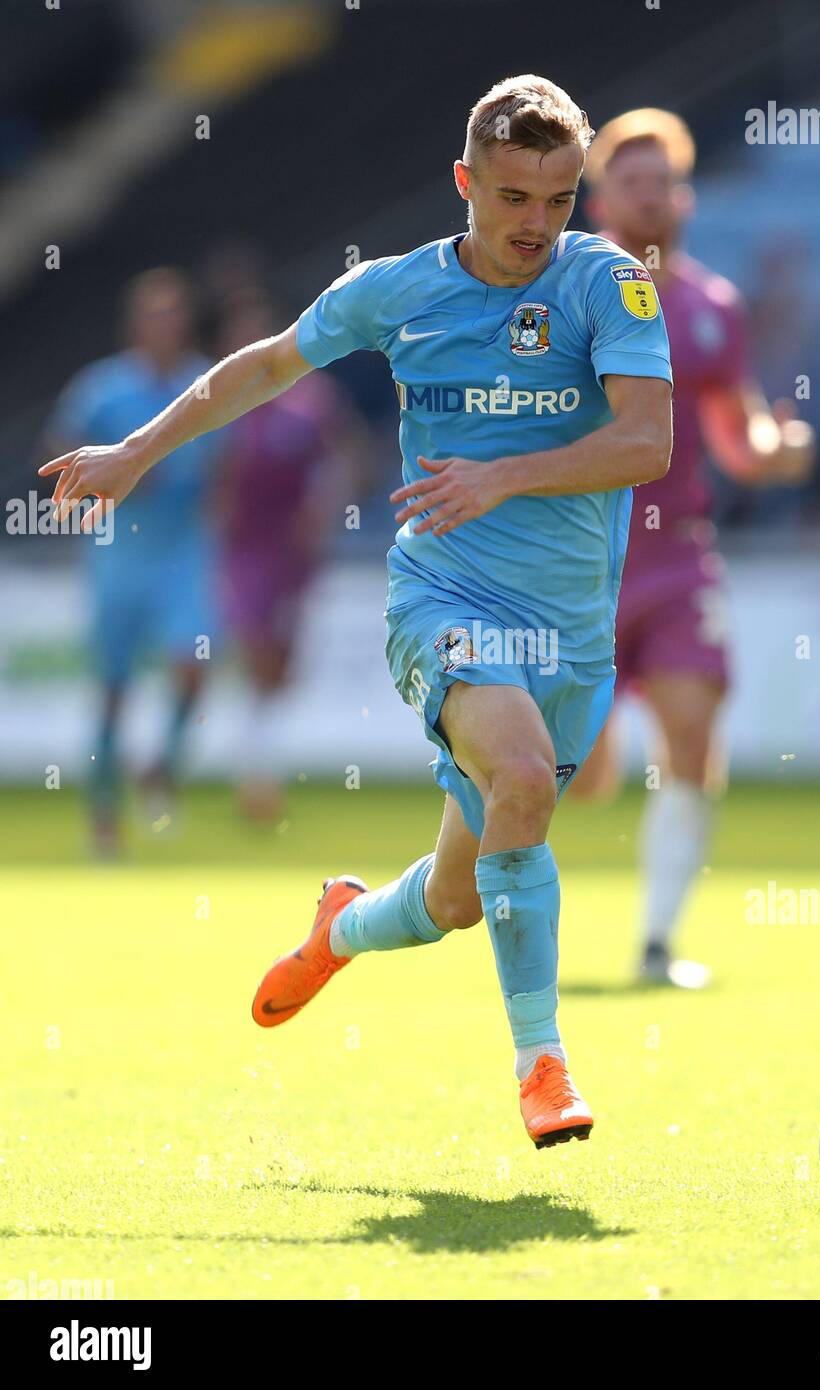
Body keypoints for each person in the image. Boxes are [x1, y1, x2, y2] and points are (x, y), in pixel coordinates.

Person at [38, 75, 673, 1148]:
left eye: (558, 199)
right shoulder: (396, 290)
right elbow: (270, 364)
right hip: (446, 594)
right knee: (519, 777)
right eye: (514, 196)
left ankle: (343, 924)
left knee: (461, 898)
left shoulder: (610, 286)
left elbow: (646, 442)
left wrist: (506, 473)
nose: (536, 223)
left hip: (569, 630)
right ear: (466, 182)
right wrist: (138, 451)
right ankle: (543, 1066)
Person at [573, 109, 815, 986]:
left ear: (684, 196)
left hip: (676, 558)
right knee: (584, 776)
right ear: (600, 198)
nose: (649, 199)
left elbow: (736, 436)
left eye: (662, 183)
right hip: (580, 560)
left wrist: (774, 448)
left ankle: (655, 944)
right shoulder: (570, 289)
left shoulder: (713, 307)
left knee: (691, 736)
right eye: (631, 183)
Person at [43, 268, 224, 856]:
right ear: (134, 324)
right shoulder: (103, 388)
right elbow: (57, 447)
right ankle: (102, 813)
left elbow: (228, 451)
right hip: (119, 550)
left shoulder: (205, 379)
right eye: (154, 314)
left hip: (182, 549)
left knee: (195, 666)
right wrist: (94, 489)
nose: (164, 325)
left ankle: (162, 764)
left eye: (173, 314)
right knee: (113, 689)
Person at [212, 286, 371, 821]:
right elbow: (207, 473)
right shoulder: (219, 401)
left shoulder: (310, 402)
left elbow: (351, 455)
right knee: (255, 652)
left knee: (281, 664)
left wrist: (328, 507)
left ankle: (261, 770)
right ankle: (255, 779)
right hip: (242, 550)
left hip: (293, 553)